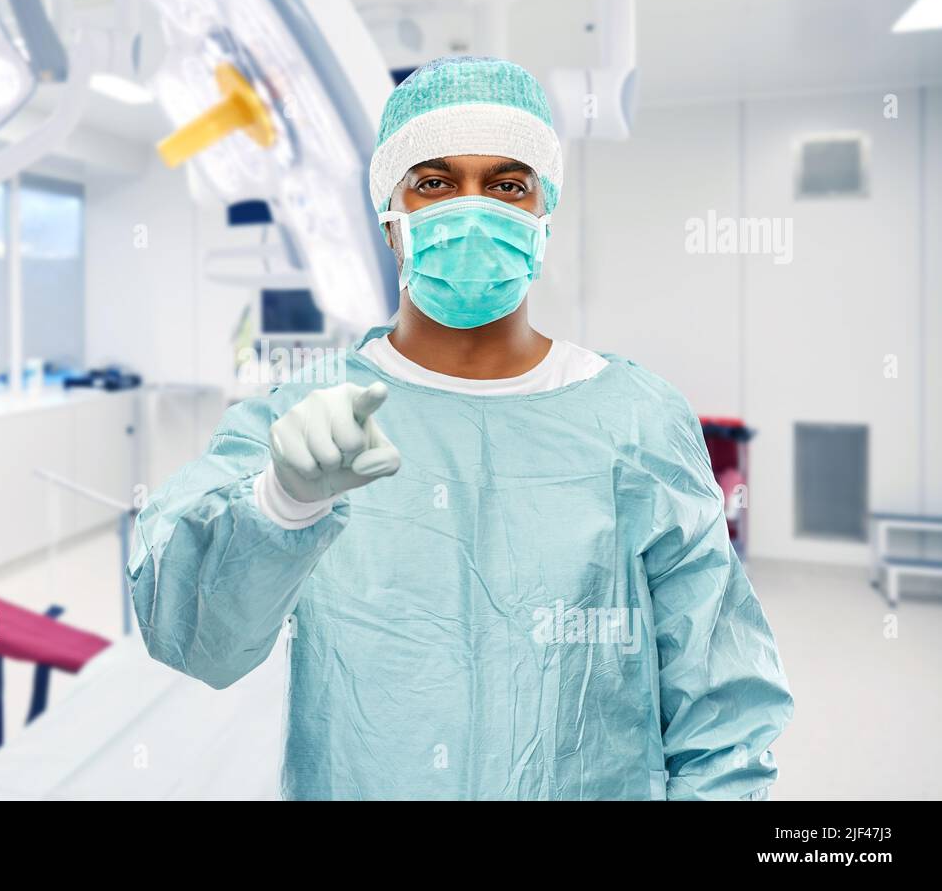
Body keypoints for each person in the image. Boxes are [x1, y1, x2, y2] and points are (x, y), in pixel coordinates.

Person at [126, 56, 793, 800]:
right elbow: (186, 630)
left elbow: (721, 700)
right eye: (435, 182)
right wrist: (281, 504)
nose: (472, 209)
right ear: (390, 218)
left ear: (544, 217)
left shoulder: (636, 418)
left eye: (508, 184)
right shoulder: (307, 417)